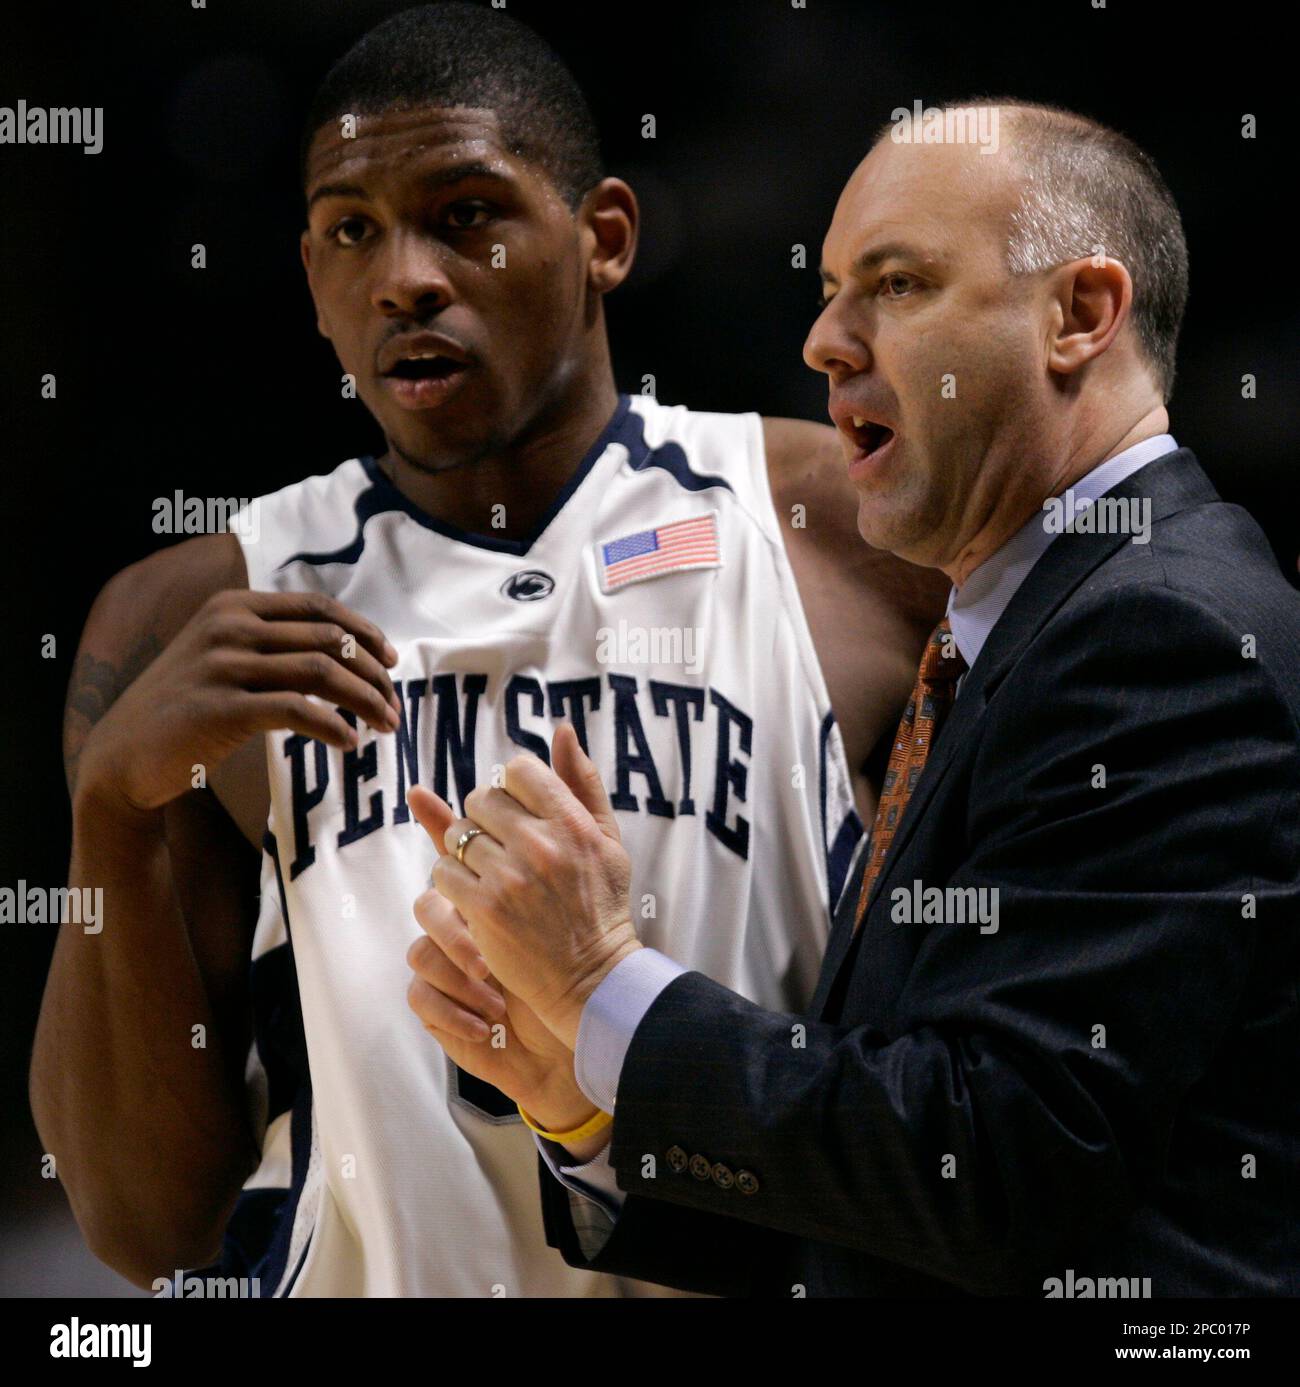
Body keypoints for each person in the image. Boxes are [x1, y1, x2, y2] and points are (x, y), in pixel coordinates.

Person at [29, 4, 946, 1296]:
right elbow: (144, 1226)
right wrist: (111, 816)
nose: (403, 276)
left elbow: (985, 1089)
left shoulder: (843, 531)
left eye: (465, 214)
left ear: (604, 237)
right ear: (312, 279)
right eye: (352, 230)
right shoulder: (184, 616)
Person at [406, 98, 1300, 1296]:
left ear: (1079, 315)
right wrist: (584, 1104)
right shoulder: (1033, 633)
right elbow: (898, 1205)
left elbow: (996, 1161)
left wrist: (600, 983)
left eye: (896, 283)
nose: (825, 340)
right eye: (829, 291)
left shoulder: (1160, 636)